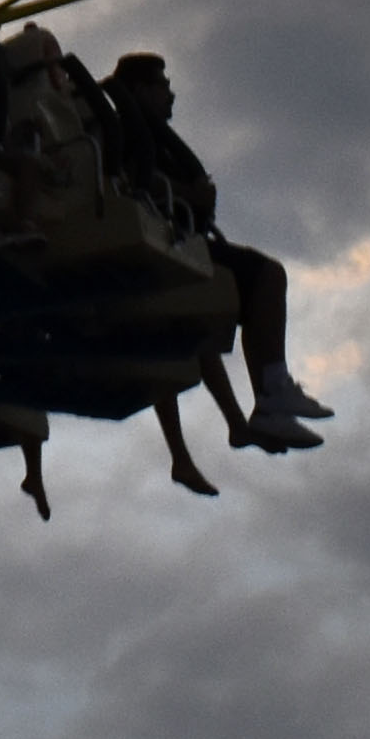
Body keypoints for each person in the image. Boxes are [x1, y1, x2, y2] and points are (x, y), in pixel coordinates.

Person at [100, 53, 331, 452]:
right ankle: (271, 392)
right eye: (162, 85)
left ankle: (269, 407)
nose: (171, 93)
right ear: (139, 91)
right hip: (156, 246)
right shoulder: (122, 132)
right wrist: (192, 194)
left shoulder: (155, 137)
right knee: (267, 275)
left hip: (178, 241)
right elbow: (133, 180)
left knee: (231, 301)